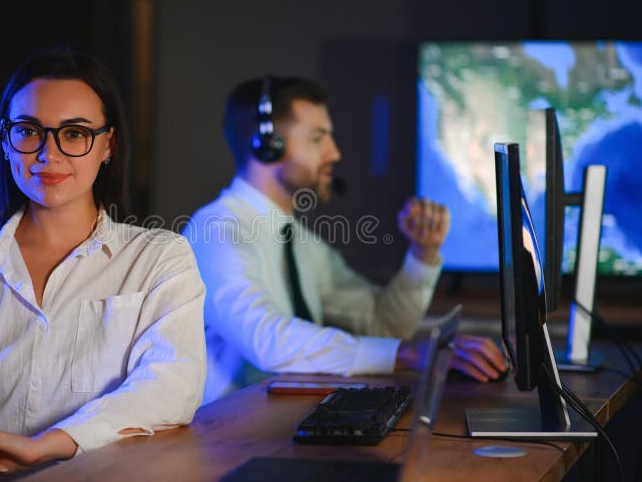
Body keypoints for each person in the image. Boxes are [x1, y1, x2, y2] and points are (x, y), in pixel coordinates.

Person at [0, 48, 206, 481]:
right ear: (4, 142)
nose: (48, 154)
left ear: (108, 145)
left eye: (75, 134)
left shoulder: (158, 258)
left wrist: (44, 446)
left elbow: (172, 388)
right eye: (28, 131)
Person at [184, 76, 506, 404]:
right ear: (268, 145)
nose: (334, 152)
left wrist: (422, 255)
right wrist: (408, 355)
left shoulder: (302, 244)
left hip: (279, 422)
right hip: (225, 439)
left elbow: (383, 324)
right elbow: (269, 340)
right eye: (317, 138)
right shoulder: (216, 233)